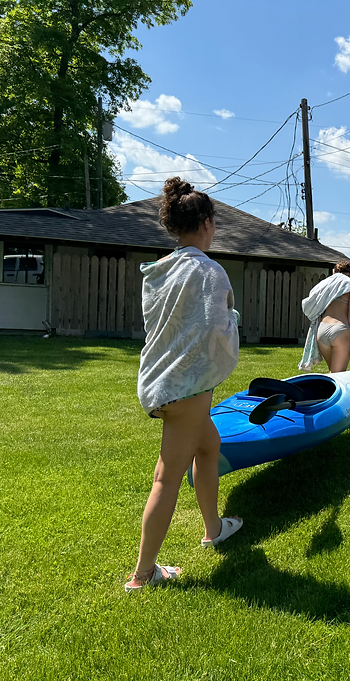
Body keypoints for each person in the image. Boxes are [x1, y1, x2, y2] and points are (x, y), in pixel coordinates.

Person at [125, 177, 243, 591]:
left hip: (159, 379)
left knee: (209, 445)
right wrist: (234, 324)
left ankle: (214, 528)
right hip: (186, 387)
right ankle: (143, 575)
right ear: (207, 224)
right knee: (166, 476)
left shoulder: (160, 270)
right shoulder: (208, 270)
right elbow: (215, 324)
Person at [299, 260, 350, 372]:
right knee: (338, 375)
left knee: (333, 372)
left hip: (322, 330)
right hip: (341, 330)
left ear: (334, 272)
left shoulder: (326, 285)